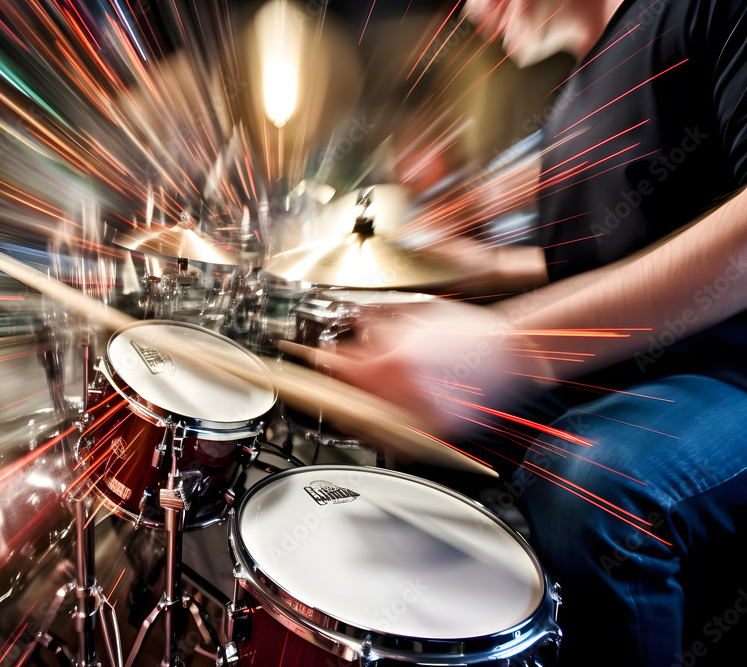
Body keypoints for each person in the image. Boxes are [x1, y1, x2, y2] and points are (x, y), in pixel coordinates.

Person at [315, 0, 747, 664]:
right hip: (644, 368)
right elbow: (610, 258)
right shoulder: (580, 89)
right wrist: (473, 274)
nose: (471, 11)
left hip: (731, 372)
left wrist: (515, 343)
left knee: (590, 486)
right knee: (416, 435)